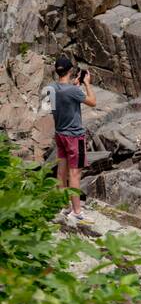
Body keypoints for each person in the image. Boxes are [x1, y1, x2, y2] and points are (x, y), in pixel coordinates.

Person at [48, 55, 96, 221]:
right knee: (75, 175)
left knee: (61, 173)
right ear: (70, 70)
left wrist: (73, 86)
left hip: (60, 134)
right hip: (75, 137)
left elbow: (61, 100)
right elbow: (92, 102)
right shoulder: (74, 91)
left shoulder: (51, 88)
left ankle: (65, 207)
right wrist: (87, 84)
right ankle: (77, 212)